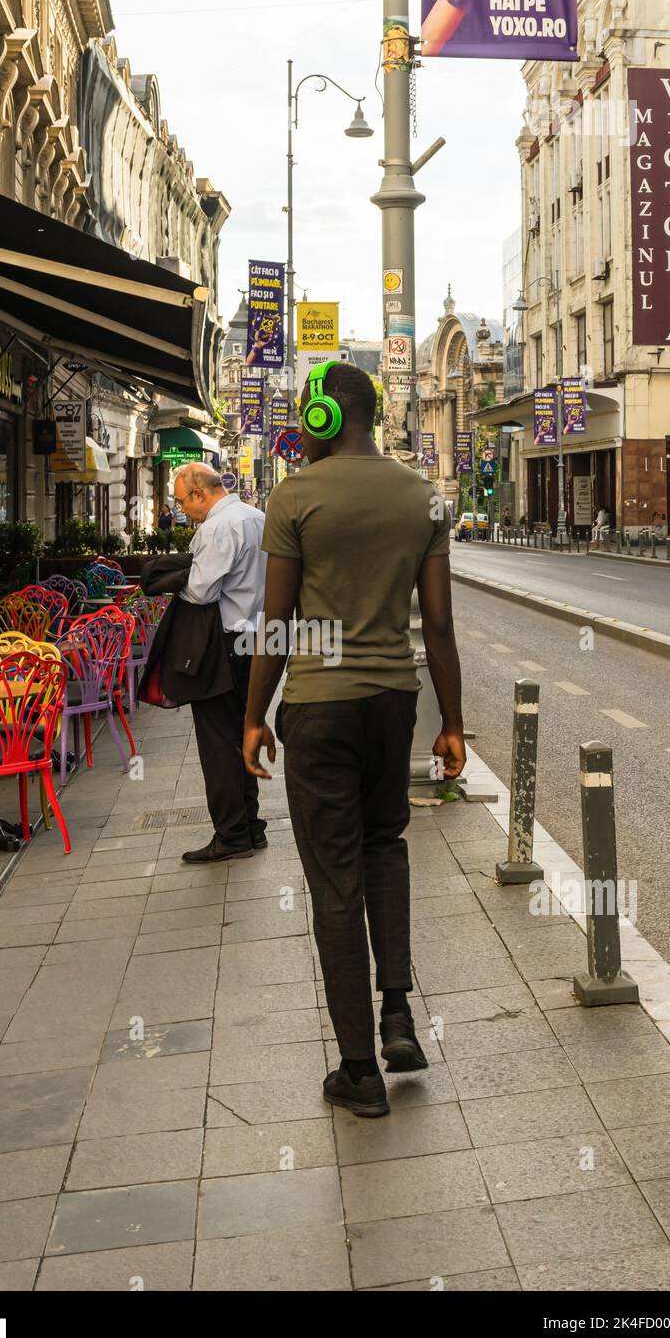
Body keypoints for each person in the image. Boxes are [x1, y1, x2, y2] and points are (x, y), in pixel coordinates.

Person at [243, 363, 466, 1118]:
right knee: (385, 848)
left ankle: (360, 1072)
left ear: (321, 420)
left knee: (334, 881)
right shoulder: (422, 497)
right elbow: (436, 623)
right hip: (393, 704)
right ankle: (398, 1013)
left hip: (320, 706)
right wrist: (454, 725)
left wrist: (252, 715)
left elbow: (275, 624)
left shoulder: (294, 496)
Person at [173, 463, 267, 864]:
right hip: (259, 639)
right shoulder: (257, 517)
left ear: (199, 494)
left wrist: (174, 576)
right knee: (246, 729)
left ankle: (232, 835)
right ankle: (252, 827)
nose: (181, 510)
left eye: (181, 501)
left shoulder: (217, 526)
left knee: (218, 743)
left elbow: (199, 591)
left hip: (225, 642)